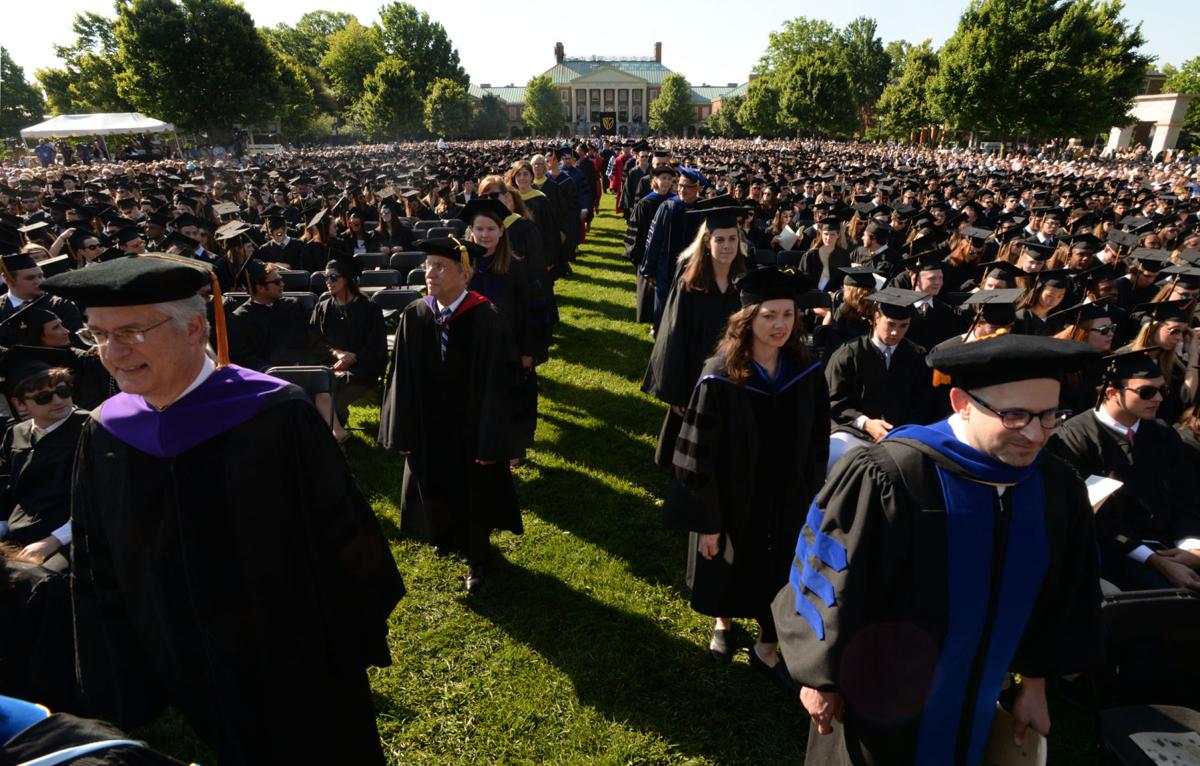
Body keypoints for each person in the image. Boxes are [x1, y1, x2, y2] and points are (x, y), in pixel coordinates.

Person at [39, 255, 404, 765]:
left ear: (194, 329)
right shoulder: (106, 432)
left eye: (130, 333)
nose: (112, 353)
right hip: (183, 658)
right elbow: (97, 558)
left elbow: (341, 531)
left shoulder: (275, 414)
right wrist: (119, 663)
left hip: (295, 654)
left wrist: (350, 629)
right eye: (98, 335)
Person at [775, 333, 1103, 765]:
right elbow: (829, 578)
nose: (1035, 434)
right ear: (961, 402)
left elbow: (1061, 592)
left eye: (1050, 415)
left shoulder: (1055, 487)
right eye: (1015, 415)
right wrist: (822, 678)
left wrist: (1035, 682)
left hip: (979, 697)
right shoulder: (893, 474)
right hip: (877, 698)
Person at [672, 267, 829, 691]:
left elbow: (818, 438)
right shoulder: (719, 375)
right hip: (732, 498)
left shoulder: (806, 370)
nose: (780, 325)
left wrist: (813, 495)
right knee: (729, 564)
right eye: (769, 315)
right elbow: (696, 455)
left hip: (788, 497)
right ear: (747, 319)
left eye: (787, 314)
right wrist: (708, 521)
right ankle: (723, 623)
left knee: (782, 571)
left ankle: (766, 646)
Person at [378, 237, 522, 592]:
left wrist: (494, 439)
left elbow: (501, 385)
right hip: (429, 426)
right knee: (434, 485)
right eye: (428, 266)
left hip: (471, 428)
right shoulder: (416, 314)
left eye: (441, 267)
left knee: (474, 493)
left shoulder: (486, 317)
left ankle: (477, 558)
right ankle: (443, 535)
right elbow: (400, 377)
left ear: (465, 274)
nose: (430, 273)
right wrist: (402, 429)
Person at [1048, 348, 1200, 591]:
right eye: (1147, 392)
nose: (1159, 399)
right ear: (1111, 393)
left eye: (1163, 390)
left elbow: (1186, 495)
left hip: (1173, 546)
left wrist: (1191, 546)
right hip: (1114, 552)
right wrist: (1155, 560)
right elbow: (1096, 518)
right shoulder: (1073, 439)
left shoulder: (1163, 433)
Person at [644, 206, 748, 513]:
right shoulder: (691, 283)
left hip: (733, 374)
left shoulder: (745, 282)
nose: (727, 245)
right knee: (688, 440)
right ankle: (684, 495)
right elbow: (674, 337)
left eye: (732, 238)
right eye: (720, 239)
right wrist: (677, 390)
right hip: (693, 374)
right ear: (707, 241)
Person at [825, 288, 934, 473]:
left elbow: (922, 403)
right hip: (855, 431)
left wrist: (903, 431)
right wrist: (866, 423)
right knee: (834, 455)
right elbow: (834, 401)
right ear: (877, 317)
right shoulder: (849, 353)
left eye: (903, 325)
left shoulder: (916, 356)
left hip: (901, 435)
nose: (895, 332)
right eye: (890, 324)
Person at [0, 346, 86, 574]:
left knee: (33, 580)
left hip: (73, 537)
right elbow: (6, 489)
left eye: (63, 391)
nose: (57, 400)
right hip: (20, 535)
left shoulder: (91, 429)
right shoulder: (16, 434)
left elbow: (101, 499)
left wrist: (54, 540)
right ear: (20, 404)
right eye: (43, 397)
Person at [310, 256, 387, 427]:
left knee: (334, 388)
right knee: (316, 385)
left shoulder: (369, 308)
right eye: (325, 277)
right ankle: (333, 433)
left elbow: (376, 345)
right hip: (330, 365)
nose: (328, 281)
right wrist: (336, 353)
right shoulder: (322, 307)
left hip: (362, 367)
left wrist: (353, 358)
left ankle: (331, 434)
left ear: (347, 278)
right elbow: (314, 342)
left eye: (333, 277)